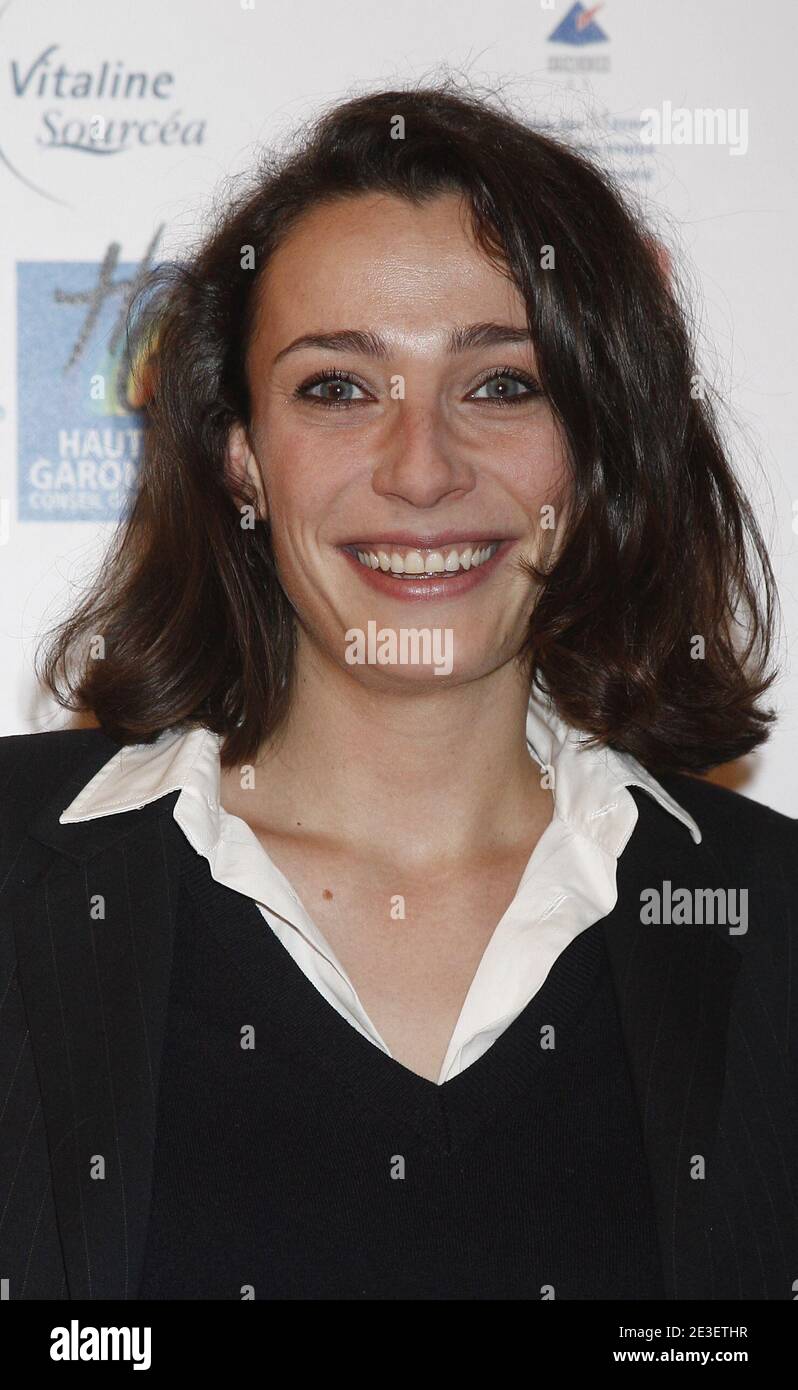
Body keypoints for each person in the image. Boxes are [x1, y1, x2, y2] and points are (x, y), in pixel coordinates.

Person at [1, 82, 796, 1302]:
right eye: (336, 387)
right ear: (239, 455)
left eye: (501, 384)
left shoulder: (768, 921)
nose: (421, 468)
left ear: (597, 449)